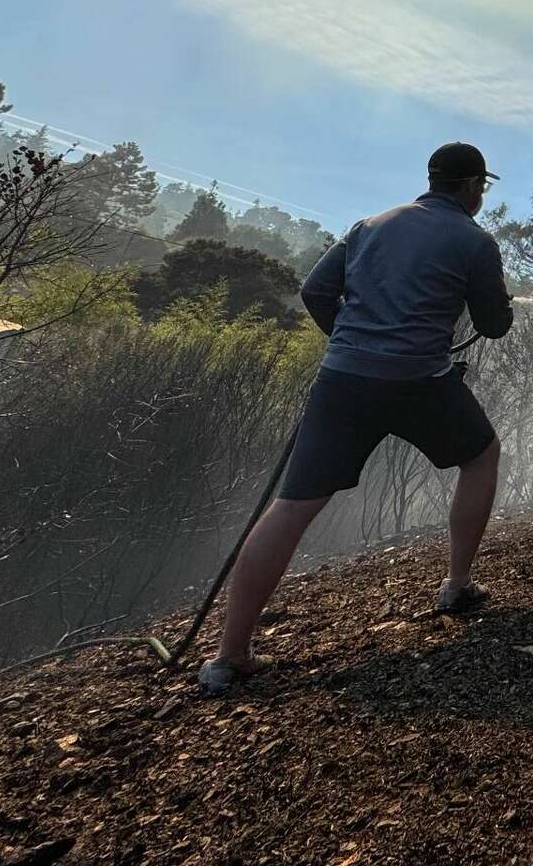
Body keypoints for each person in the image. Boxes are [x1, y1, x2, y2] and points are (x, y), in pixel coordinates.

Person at [198, 142, 516, 694]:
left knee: (292, 505)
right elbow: (492, 325)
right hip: (421, 382)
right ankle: (457, 584)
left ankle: (229, 656)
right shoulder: (474, 240)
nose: (481, 196)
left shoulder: (369, 224)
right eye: (482, 188)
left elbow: (316, 291)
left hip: (342, 381)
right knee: (481, 456)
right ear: (471, 188)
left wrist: (351, 344)